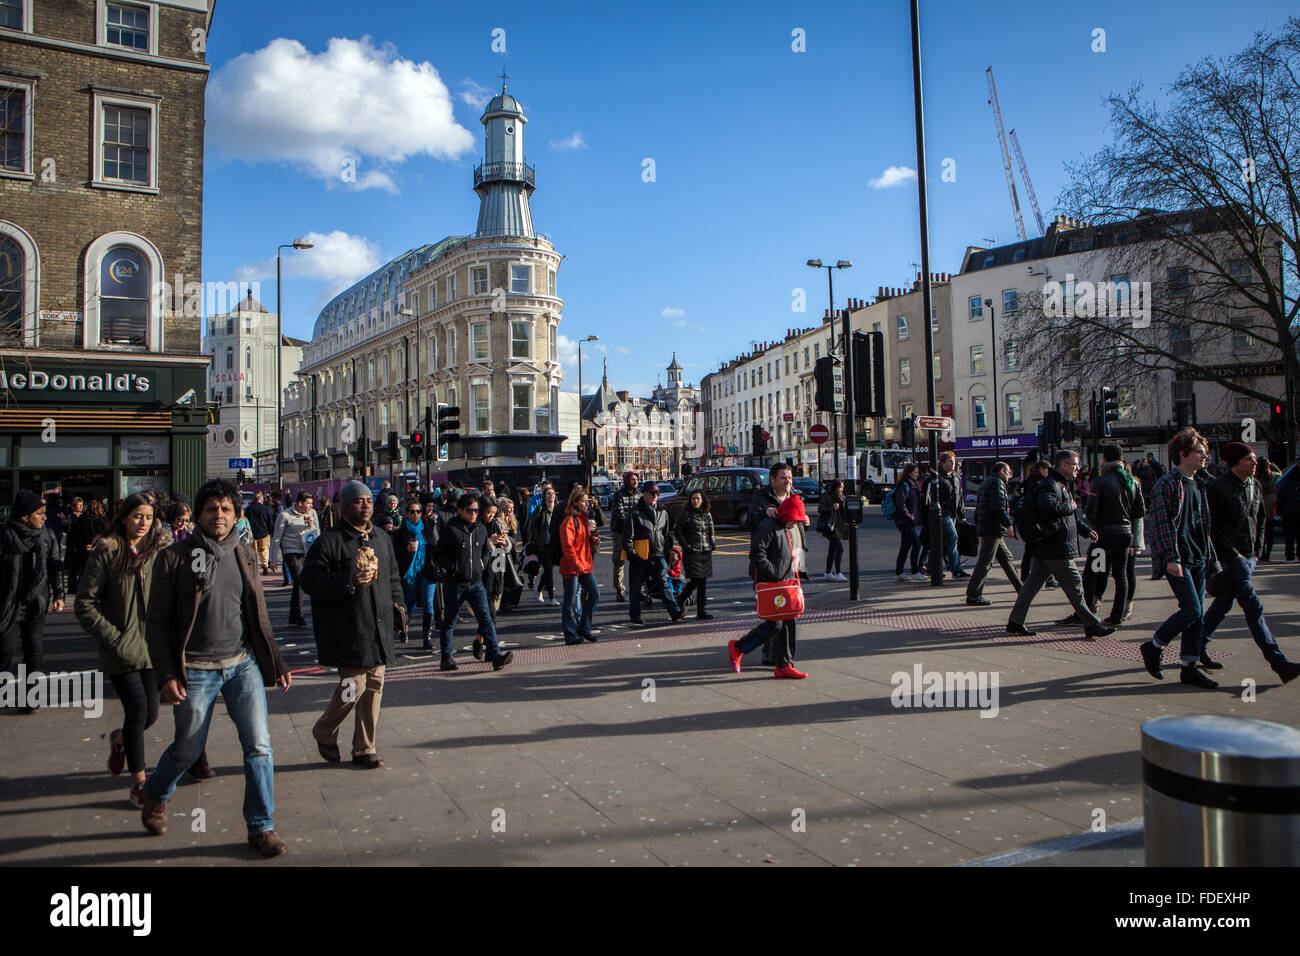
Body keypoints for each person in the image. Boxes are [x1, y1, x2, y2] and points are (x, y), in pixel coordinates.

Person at [139, 478, 291, 857]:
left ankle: (261, 826)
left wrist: (276, 659)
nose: (219, 516)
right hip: (195, 668)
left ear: (235, 514)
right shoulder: (174, 559)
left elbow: (257, 613)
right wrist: (166, 674)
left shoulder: (244, 554)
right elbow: (156, 623)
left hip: (241, 664)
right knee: (187, 750)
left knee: (259, 746)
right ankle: (156, 793)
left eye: (226, 509)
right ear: (198, 515)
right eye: (211, 509)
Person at [76, 493, 186, 805]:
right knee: (136, 710)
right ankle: (139, 782)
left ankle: (121, 739)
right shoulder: (107, 551)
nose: (142, 523)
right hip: (121, 649)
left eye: (149, 517)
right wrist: (111, 637)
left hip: (153, 646)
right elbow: (85, 603)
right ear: (124, 516)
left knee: (150, 713)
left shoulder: (161, 550)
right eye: (137, 516)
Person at [300, 480, 406, 767]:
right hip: (348, 627)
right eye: (359, 501)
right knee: (354, 685)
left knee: (374, 685)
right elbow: (309, 579)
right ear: (346, 506)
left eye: (369, 500)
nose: (365, 505)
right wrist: (345, 580)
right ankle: (324, 729)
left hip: (379, 624)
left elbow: (393, 577)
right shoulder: (331, 541)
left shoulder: (382, 538)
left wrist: (399, 607)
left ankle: (364, 748)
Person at [1197, 443, 1300, 685]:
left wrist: (1256, 552)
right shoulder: (1219, 487)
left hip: (1247, 558)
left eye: (1253, 459)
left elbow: (1260, 519)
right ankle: (1279, 663)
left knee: (1223, 604)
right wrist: (1233, 555)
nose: (1254, 464)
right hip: (1232, 559)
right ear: (1234, 462)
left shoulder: (1255, 485)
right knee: (1254, 609)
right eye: (1248, 460)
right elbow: (1212, 527)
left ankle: (1196, 645)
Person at [1138, 428, 1220, 687]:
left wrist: (1212, 559)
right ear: (1183, 454)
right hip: (1178, 559)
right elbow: (1161, 524)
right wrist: (1172, 558)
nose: (1205, 456)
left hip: (1198, 557)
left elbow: (1202, 527)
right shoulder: (1167, 484)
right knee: (1192, 610)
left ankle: (1189, 666)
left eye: (1205, 452)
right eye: (1199, 452)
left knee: (1198, 615)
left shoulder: (1201, 483)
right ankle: (1154, 645)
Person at [1006, 450, 1115, 639]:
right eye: (1074, 464)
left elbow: (1068, 518)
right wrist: (1070, 506)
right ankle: (1091, 624)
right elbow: (1049, 507)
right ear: (1063, 465)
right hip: (1056, 547)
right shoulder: (1051, 485)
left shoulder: (1059, 484)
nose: (1077, 468)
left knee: (1030, 587)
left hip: (1048, 547)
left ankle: (1015, 622)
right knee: (1075, 587)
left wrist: (1085, 530)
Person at [727, 494, 808, 679]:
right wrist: (774, 573)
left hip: (784, 582)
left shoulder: (785, 527)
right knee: (775, 625)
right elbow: (757, 554)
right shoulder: (768, 527)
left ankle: (784, 664)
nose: (796, 523)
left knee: (787, 623)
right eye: (795, 519)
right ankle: (738, 648)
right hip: (773, 582)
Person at [0, 491, 66, 713]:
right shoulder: (4, 536)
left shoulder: (46, 536)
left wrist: (59, 594)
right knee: (5, 651)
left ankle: (30, 700)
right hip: (8, 603)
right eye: (39, 513)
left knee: (34, 652)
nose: (44, 516)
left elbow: (56, 564)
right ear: (24, 516)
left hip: (36, 601)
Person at [433, 493, 513, 670]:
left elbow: (486, 550)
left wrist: (482, 564)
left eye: (476, 510)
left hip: (476, 583)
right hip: (456, 583)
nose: (474, 514)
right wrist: (452, 569)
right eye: (470, 510)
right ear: (460, 510)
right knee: (450, 620)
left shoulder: (481, 529)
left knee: (486, 618)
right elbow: (439, 554)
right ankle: (446, 657)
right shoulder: (451, 529)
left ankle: (495, 655)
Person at [1083, 445, 1145, 625]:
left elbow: (1091, 511)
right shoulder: (1132, 481)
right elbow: (1139, 510)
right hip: (1125, 535)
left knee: (1094, 570)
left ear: (1104, 459)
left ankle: (1088, 608)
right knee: (1121, 574)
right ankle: (1117, 614)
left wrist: (1091, 524)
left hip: (1103, 535)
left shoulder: (1100, 481)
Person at [621, 482, 684, 626]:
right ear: (644, 494)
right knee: (636, 588)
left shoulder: (663, 512)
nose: (654, 497)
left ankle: (675, 612)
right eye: (651, 493)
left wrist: (668, 551)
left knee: (664, 584)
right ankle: (635, 616)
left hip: (658, 554)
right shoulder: (635, 513)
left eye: (657, 494)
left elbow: (665, 534)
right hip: (641, 557)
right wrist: (633, 555)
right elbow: (627, 537)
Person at [393, 497, 446, 661]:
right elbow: (395, 554)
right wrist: (406, 549)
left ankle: (426, 637)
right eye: (412, 512)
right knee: (408, 604)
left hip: (427, 571)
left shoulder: (427, 528)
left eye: (418, 511)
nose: (416, 514)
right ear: (406, 514)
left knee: (429, 603)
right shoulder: (401, 533)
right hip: (409, 573)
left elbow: (434, 548)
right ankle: (404, 630)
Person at [965, 461, 1021, 605]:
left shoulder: (986, 483)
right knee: (985, 562)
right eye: (1008, 472)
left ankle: (1022, 590)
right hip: (993, 528)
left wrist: (980, 530)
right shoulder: (997, 483)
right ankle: (973, 594)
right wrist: (1008, 524)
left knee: (1006, 559)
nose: (1009, 476)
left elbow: (979, 508)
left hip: (989, 528)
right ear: (1002, 471)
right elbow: (997, 507)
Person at [558, 486, 600, 645]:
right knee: (569, 601)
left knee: (595, 594)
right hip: (572, 567)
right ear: (575, 503)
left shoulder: (582, 520)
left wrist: (593, 538)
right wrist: (577, 564)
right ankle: (571, 635)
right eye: (584, 502)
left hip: (583, 564)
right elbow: (568, 547)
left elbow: (584, 542)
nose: (587, 504)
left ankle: (584, 628)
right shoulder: (569, 521)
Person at [270, 491, 318, 627]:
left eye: (311, 503)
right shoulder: (285, 515)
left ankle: (294, 615)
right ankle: (299, 615)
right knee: (299, 580)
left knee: (301, 582)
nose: (311, 506)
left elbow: (317, 533)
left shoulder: (312, 514)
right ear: (300, 503)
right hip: (290, 551)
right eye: (308, 503)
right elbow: (276, 538)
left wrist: (311, 526)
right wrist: (273, 559)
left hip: (305, 551)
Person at [674, 490, 716, 620]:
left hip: (705, 552)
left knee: (702, 581)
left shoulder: (707, 514)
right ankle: (679, 600)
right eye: (693, 498)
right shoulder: (686, 515)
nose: (695, 501)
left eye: (698, 498)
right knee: (695, 580)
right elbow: (677, 531)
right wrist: (686, 546)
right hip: (693, 553)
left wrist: (712, 544)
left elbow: (711, 531)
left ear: (702, 500)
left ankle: (701, 611)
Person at [609, 472, 641, 602]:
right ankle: (619, 589)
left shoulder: (639, 495)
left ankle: (639, 589)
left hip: (636, 532)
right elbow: (619, 513)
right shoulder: (618, 495)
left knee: (639, 560)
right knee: (619, 561)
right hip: (620, 531)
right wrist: (630, 525)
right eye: (632, 479)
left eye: (636, 479)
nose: (635, 482)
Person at [67, 497, 109, 595]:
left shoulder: (82, 519)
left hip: (84, 547)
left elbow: (77, 535)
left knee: (84, 568)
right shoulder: (103, 520)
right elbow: (107, 533)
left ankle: (83, 587)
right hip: (99, 547)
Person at [936, 452, 967, 578]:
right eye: (950, 461)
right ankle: (956, 568)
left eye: (954, 461)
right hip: (944, 514)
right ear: (943, 463)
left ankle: (930, 565)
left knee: (945, 541)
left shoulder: (955, 477)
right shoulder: (939, 478)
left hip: (953, 514)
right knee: (953, 537)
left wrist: (962, 514)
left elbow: (959, 497)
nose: (953, 463)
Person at [527, 485, 560, 605]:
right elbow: (533, 526)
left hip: (554, 545)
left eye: (553, 493)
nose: (551, 496)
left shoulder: (558, 509)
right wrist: (537, 539)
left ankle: (539, 589)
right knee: (549, 569)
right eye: (548, 494)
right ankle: (552, 597)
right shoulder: (540, 509)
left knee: (548, 570)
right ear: (544, 496)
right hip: (542, 545)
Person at [892, 464, 925, 582]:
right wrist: (910, 517)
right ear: (909, 473)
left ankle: (899, 572)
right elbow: (901, 505)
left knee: (905, 546)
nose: (917, 475)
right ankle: (915, 571)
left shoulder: (913, 485)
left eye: (917, 472)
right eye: (915, 472)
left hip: (909, 521)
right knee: (916, 543)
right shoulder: (904, 486)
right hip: (904, 521)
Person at [817, 480, 850, 582]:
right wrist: (833, 507)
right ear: (835, 487)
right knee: (839, 549)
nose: (842, 489)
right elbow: (820, 509)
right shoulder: (828, 497)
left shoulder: (841, 497)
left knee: (832, 550)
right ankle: (838, 572)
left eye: (842, 488)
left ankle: (828, 572)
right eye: (840, 487)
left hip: (838, 526)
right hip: (831, 526)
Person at [1257, 457, 1281, 561]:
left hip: (1260, 503)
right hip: (1271, 504)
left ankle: (1260, 552)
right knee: (1269, 532)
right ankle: (1268, 553)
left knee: (1260, 531)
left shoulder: (1256, 477)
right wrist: (1271, 465)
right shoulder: (1273, 477)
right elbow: (1280, 473)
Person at [245, 491, 275, 574]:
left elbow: (246, 521)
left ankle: (253, 566)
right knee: (264, 550)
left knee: (252, 551)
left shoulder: (248, 509)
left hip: (252, 533)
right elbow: (270, 522)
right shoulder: (266, 509)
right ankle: (265, 564)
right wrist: (270, 531)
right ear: (261, 500)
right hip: (264, 533)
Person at [1279, 461, 1300, 561]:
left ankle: (1289, 556)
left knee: (1289, 536)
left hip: (1288, 512)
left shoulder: (1286, 482)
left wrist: (1279, 512)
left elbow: (1281, 498)